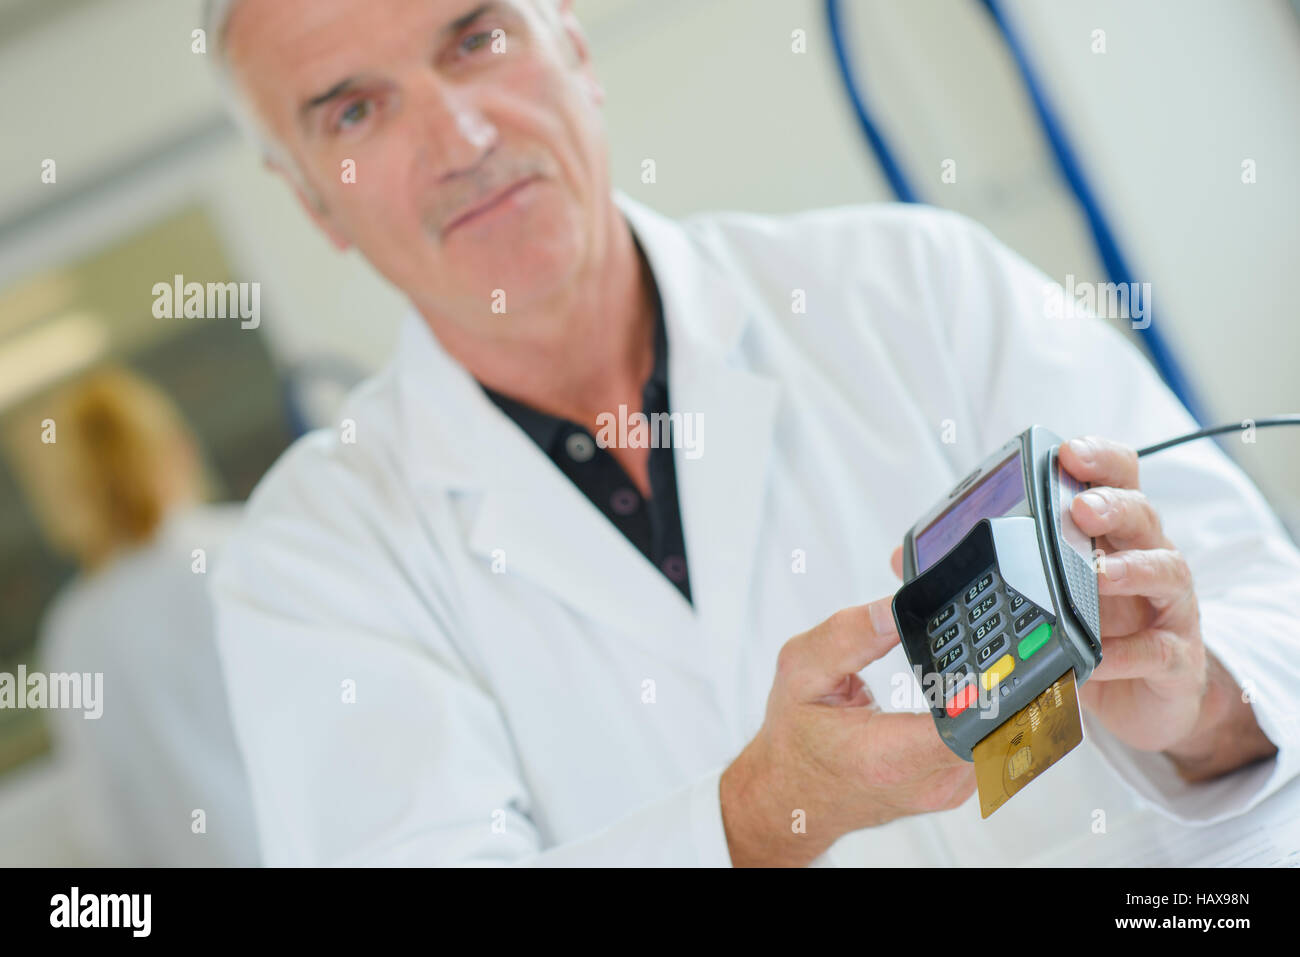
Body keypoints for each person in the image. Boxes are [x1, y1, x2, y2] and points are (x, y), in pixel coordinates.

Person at [202, 0, 1300, 866]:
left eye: (476, 37)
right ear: (311, 202)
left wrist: (1198, 702)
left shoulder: (912, 284)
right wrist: (763, 814)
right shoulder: (315, 556)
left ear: (573, 44)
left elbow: (1269, 613)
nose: (459, 136)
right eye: (354, 112)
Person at [35, 367, 259, 866]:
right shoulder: (245, 547)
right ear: (176, 446)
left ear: (70, 492)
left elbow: (99, 825)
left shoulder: (75, 632)